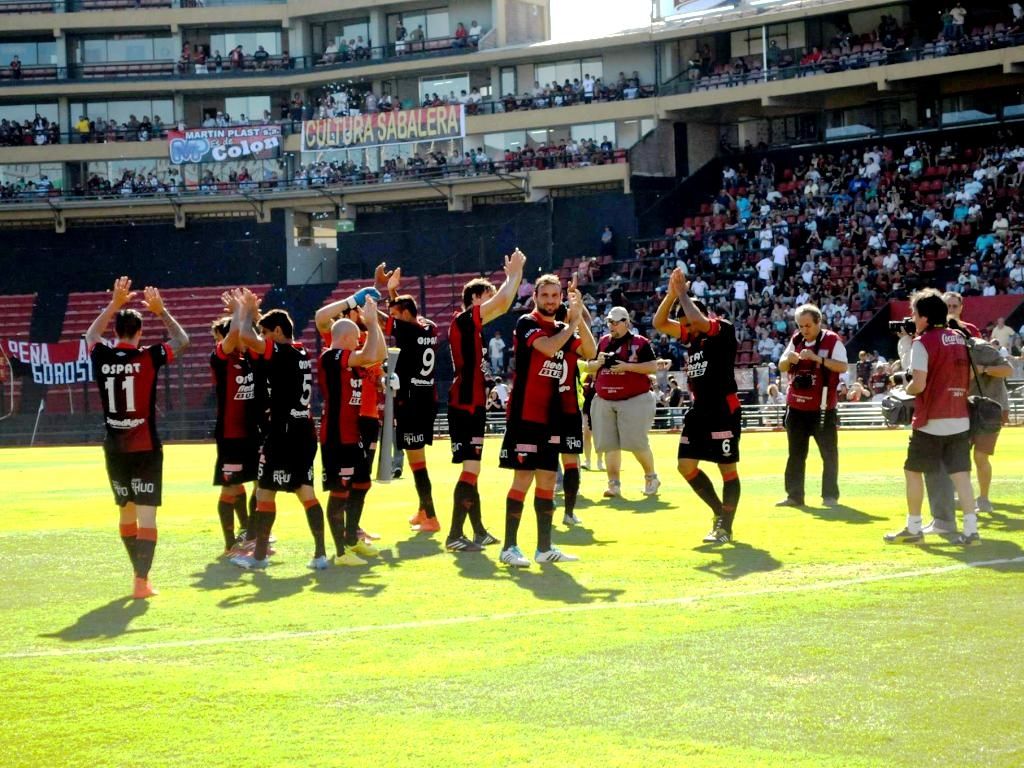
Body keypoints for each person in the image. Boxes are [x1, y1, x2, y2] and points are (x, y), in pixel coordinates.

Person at [86, 276, 190, 599]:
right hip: (145, 447)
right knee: (147, 515)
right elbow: (182, 339)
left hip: (114, 448)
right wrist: (161, 311)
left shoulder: (101, 355)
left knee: (126, 512)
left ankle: (138, 575)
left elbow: (90, 335)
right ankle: (141, 582)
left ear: (115, 332)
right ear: (140, 332)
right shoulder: (149, 357)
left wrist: (114, 304)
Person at [229, 289, 325, 571]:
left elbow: (248, 339)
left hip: (282, 433)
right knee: (306, 492)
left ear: (279, 332)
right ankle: (320, 554)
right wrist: (258, 317)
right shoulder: (301, 350)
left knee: (264, 494)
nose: (264, 339)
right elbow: (261, 340)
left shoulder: (281, 351)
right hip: (304, 431)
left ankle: (259, 558)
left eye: (267, 333)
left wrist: (246, 312)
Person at [498, 274, 587, 567]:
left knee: (548, 478)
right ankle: (509, 547)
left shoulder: (563, 327)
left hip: (552, 418)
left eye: (555, 295)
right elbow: (548, 348)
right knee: (523, 478)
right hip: (526, 414)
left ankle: (544, 548)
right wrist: (572, 325)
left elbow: (592, 351)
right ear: (536, 296)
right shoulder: (527, 323)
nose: (551, 300)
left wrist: (579, 315)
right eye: (546, 295)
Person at [445, 249, 526, 551]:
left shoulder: (473, 330)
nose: (491, 302)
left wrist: (493, 384)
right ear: (477, 298)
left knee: (473, 469)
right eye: (487, 297)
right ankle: (455, 535)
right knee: (471, 470)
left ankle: (477, 531)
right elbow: (503, 303)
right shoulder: (464, 321)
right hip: (464, 404)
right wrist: (513, 276)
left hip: (473, 402)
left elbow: (502, 307)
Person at [654, 268, 741, 542]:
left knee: (727, 469)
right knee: (685, 466)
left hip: (723, 410)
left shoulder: (722, 329)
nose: (686, 330)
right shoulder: (692, 338)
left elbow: (697, 321)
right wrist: (671, 296)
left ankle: (725, 527)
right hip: (699, 410)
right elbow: (659, 323)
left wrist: (682, 293)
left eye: (690, 325)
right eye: (684, 326)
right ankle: (718, 512)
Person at [885, 289, 978, 546]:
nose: (913, 318)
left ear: (924, 317)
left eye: (915, 313)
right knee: (961, 475)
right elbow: (970, 376)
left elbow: (920, 383)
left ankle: (914, 526)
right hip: (959, 415)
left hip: (931, 419)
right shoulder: (958, 337)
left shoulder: (922, 342)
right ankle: (971, 529)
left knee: (912, 471)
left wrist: (905, 388)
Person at [314, 282, 387, 543]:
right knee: (344, 484)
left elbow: (378, 356)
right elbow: (321, 318)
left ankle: (353, 530)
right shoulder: (338, 345)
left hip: (366, 419)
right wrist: (351, 300)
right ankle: (343, 540)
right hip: (345, 424)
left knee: (361, 482)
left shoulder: (366, 340)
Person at [384, 270, 441, 533]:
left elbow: (381, 318)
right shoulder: (428, 325)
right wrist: (394, 294)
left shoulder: (405, 329)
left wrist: (385, 293)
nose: (393, 320)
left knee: (418, 463)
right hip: (426, 397)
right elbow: (406, 316)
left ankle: (431, 517)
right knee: (414, 459)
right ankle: (422, 510)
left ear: (405, 314)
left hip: (413, 402)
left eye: (396, 315)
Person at [776, 304, 847, 507]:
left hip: (823, 408)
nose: (804, 330)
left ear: (819, 322)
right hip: (796, 407)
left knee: (829, 454)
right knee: (795, 455)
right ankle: (794, 496)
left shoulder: (832, 340)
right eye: (800, 325)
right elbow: (782, 366)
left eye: (807, 325)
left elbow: (842, 366)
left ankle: (830, 496)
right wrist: (788, 359)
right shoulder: (796, 339)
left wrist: (816, 358)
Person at [585, 306, 660, 499]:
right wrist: (599, 362)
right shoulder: (603, 342)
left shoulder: (640, 342)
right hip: (605, 399)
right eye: (609, 321)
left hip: (633, 399)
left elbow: (653, 367)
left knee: (636, 442)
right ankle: (614, 484)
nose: (612, 325)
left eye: (616, 322)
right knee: (609, 445)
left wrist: (627, 367)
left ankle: (651, 477)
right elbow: (590, 367)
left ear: (626, 322)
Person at [209, 308, 260, 556]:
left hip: (252, 434)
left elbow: (260, 337)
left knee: (260, 485)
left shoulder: (248, 359)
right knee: (230, 488)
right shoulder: (220, 359)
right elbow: (231, 338)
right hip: (231, 436)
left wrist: (251, 314)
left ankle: (250, 534)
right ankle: (231, 544)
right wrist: (241, 313)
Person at [553, 294, 598, 526]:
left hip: (555, 409)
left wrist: (578, 314)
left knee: (554, 462)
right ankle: (568, 513)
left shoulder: (549, 337)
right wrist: (578, 317)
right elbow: (590, 344)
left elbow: (591, 346)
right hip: (563, 409)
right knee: (569, 463)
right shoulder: (567, 340)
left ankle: (556, 507)